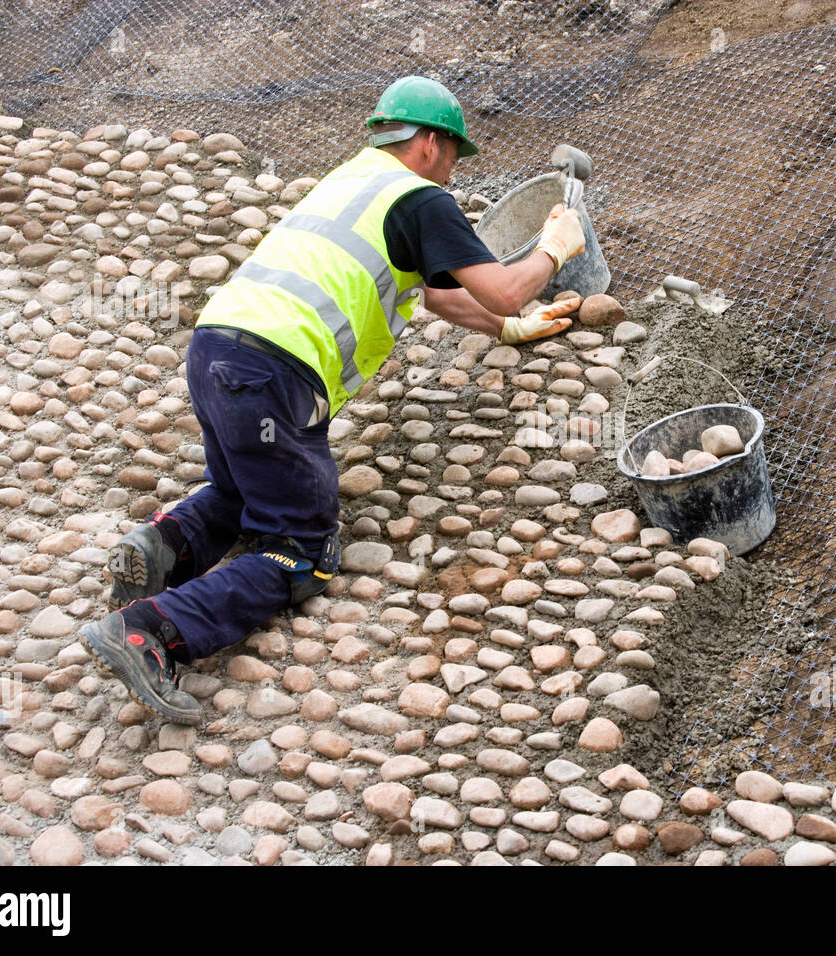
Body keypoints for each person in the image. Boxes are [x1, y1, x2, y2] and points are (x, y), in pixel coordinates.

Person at [81, 76, 586, 723]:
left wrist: (508, 329)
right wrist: (554, 248)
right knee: (300, 549)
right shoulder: (422, 198)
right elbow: (506, 288)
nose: (454, 171)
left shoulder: (353, 182)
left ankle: (158, 547)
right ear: (430, 144)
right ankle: (151, 629)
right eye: (455, 154)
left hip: (215, 350)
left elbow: (440, 295)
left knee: (241, 492)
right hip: (275, 373)